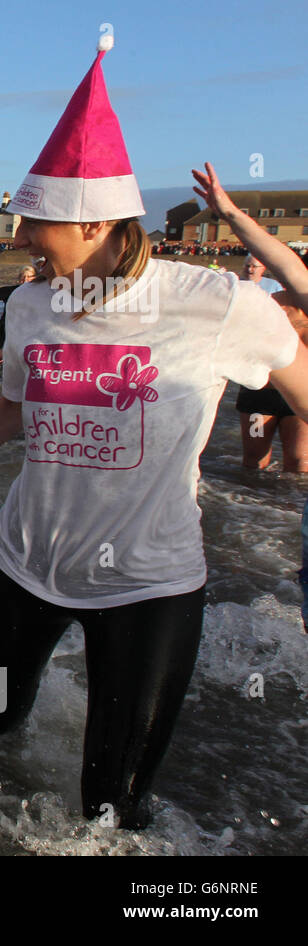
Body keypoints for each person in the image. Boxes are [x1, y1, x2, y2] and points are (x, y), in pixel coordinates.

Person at [0, 38, 308, 828]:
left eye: (32, 225)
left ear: (90, 221)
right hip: (23, 563)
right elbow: (17, 405)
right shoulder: (30, 305)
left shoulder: (216, 305)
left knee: (110, 811)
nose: (18, 241)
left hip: (148, 587)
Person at [191, 161, 308, 632]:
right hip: (269, 389)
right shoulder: (279, 297)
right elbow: (289, 267)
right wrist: (231, 214)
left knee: (298, 463)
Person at [228, 255, 305, 470]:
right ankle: (246, 502)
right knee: (254, 459)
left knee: (300, 461)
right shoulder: (271, 304)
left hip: (300, 396)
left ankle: (283, 503)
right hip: (260, 394)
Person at [0, 263, 37, 354]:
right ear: (19, 279)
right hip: (4, 330)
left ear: (35, 278)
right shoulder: (12, 291)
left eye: (29, 277)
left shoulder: (39, 293)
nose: (25, 280)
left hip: (25, 332)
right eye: (23, 277)